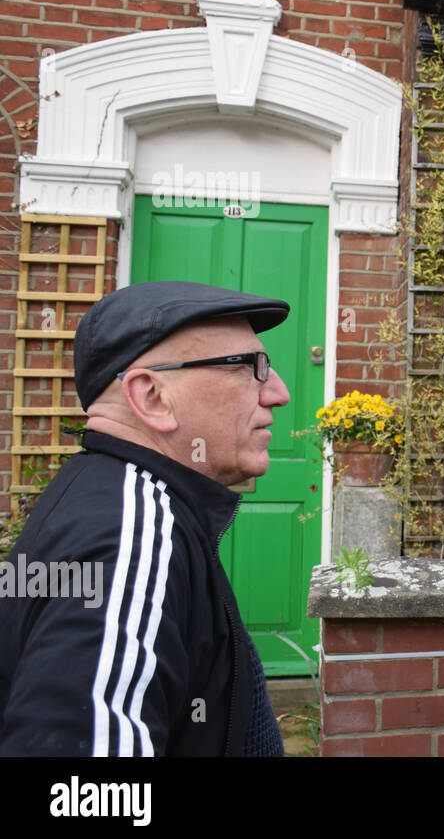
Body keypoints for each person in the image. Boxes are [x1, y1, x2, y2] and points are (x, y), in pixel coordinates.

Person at [0, 281, 293, 756]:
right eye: (248, 367)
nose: (277, 392)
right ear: (152, 396)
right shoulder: (130, 538)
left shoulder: (107, 497)